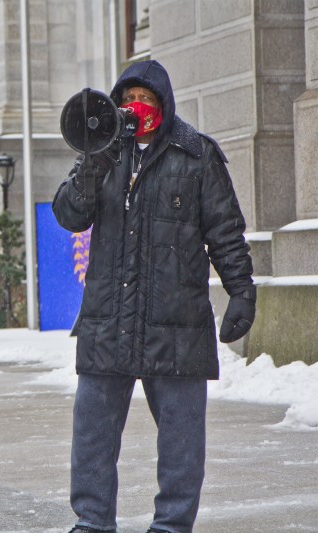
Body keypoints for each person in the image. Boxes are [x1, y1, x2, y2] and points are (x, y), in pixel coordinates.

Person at [53, 60, 255, 533]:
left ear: (163, 103)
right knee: (93, 438)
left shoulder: (197, 155)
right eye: (126, 100)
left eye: (144, 99)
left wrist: (241, 291)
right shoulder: (100, 152)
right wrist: (94, 162)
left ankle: (171, 525)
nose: (134, 108)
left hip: (177, 323)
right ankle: (92, 522)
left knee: (182, 442)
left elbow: (226, 232)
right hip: (108, 321)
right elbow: (69, 215)